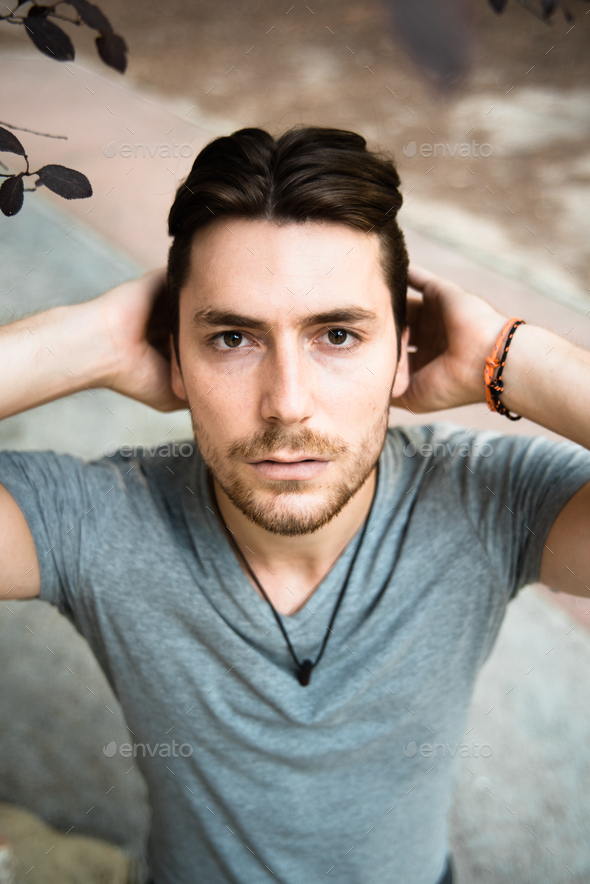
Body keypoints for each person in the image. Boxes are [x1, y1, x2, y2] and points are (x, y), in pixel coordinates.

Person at [1, 126, 589, 884]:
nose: (288, 405)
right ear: (173, 354)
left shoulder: (489, 502)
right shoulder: (97, 519)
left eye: (337, 335)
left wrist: (506, 355)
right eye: (233, 338)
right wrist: (86, 340)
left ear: (403, 349)